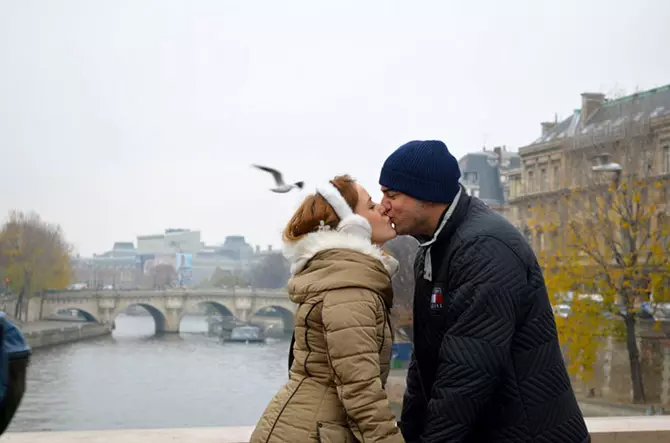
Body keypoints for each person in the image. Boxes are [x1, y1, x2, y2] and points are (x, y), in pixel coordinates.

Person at [379, 140, 590, 443]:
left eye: (392, 194)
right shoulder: (434, 247)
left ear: (426, 194)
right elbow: (425, 363)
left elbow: (465, 375)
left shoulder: (484, 247)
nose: (383, 204)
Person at [251, 175, 404, 443]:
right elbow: (362, 392)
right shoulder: (349, 287)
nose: (382, 207)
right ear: (352, 227)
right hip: (313, 432)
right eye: (370, 206)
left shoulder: (345, 276)